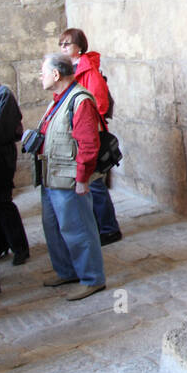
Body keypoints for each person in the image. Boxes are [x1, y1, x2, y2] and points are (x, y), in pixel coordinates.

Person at [35, 53, 106, 300]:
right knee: (54, 228)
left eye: (43, 72)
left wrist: (82, 178)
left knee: (79, 229)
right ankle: (66, 270)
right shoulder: (58, 100)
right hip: (51, 176)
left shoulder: (80, 100)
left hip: (69, 178)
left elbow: (88, 143)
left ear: (56, 74)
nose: (40, 77)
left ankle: (92, 278)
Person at [58, 29, 122, 246]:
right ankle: (99, 224)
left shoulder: (88, 71)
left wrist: (85, 124)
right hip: (76, 133)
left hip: (89, 133)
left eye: (67, 44)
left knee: (94, 182)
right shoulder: (70, 70)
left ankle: (109, 228)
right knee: (87, 182)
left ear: (79, 47)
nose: (63, 48)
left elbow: (100, 104)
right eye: (61, 44)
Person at [0, 63, 30, 267]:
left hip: (1, 159)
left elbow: (1, 130)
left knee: (3, 203)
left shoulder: (3, 94)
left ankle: (20, 247)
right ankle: (1, 244)